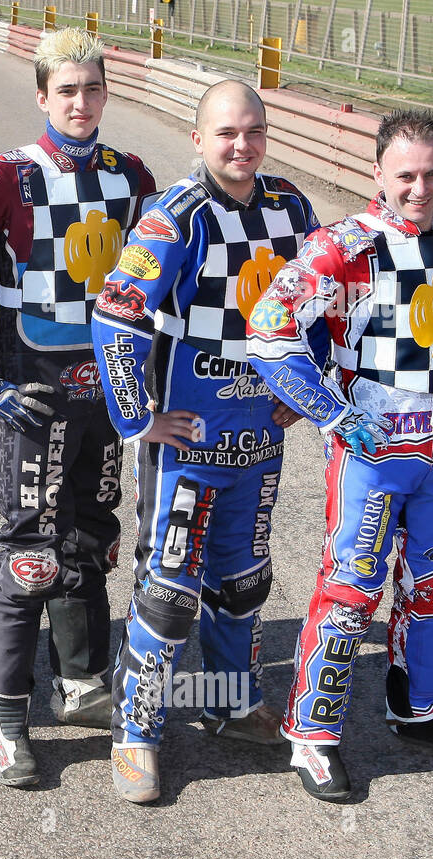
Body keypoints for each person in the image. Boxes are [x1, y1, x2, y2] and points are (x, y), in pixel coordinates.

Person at [0, 27, 157, 786]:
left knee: (93, 543)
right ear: (42, 96)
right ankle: (4, 714)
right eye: (65, 90)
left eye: (92, 88)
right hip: (34, 389)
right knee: (31, 553)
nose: (80, 102)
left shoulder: (132, 174)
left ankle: (80, 682)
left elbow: (160, 286)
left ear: (107, 93)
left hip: (108, 389)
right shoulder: (2, 175)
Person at [246, 108, 433, 801]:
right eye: (405, 175)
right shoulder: (341, 245)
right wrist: (332, 414)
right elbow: (270, 331)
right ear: (377, 173)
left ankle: (417, 711)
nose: (419, 188)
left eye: (432, 174)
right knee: (350, 590)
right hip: (369, 456)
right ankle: (312, 735)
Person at [89, 80, 320, 802]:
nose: (241, 145)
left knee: (245, 581)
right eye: (226, 133)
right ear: (198, 139)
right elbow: (115, 317)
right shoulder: (173, 217)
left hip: (259, 446)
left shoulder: (292, 207)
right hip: (187, 451)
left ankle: (229, 702)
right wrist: (137, 421)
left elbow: (320, 306)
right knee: (168, 594)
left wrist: (299, 394)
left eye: (252, 131)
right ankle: (137, 733)